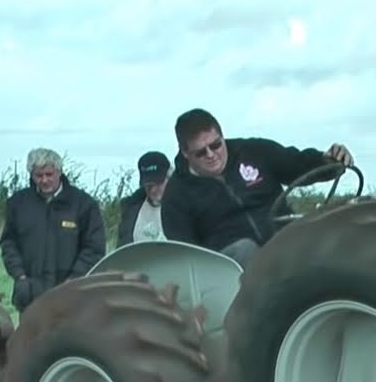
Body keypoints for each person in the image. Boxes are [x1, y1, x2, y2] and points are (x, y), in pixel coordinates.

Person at [160, 108, 354, 267]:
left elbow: (298, 163)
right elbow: (186, 255)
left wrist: (329, 161)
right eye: (201, 152)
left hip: (285, 241)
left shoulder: (253, 151)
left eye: (216, 144)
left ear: (222, 136)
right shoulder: (176, 196)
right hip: (232, 271)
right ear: (185, 153)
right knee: (245, 249)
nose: (211, 154)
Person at [0, 147, 107, 313]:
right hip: (30, 296)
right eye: (39, 175)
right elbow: (8, 243)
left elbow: (94, 248)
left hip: (72, 296)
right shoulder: (18, 203)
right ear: (31, 175)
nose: (44, 180)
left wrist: (74, 280)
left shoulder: (84, 204)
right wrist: (20, 276)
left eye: (49, 174)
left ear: (59, 172)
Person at [116, 151, 170, 248]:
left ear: (169, 177)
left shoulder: (187, 206)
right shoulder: (130, 211)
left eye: (158, 183)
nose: (153, 190)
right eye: (149, 185)